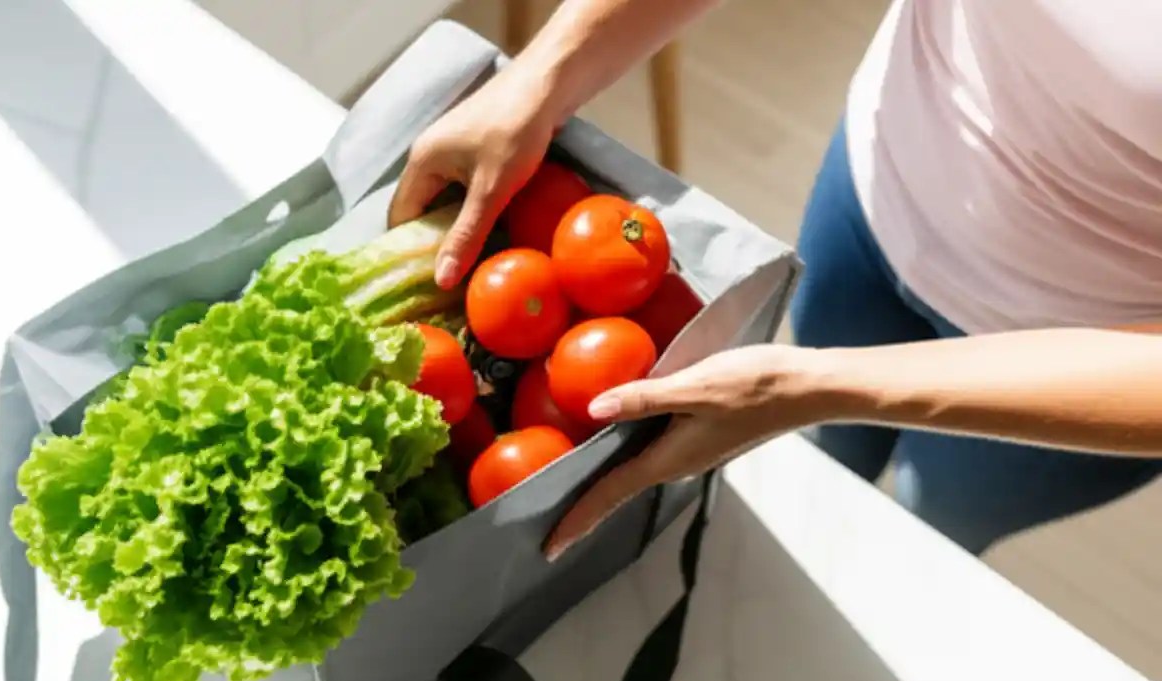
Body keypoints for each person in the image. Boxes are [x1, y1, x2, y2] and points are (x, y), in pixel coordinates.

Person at [389, 0, 1162, 561]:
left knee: (931, 528)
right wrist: (542, 78)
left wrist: (816, 386)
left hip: (1074, 350)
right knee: (825, 451)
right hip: (872, 188)